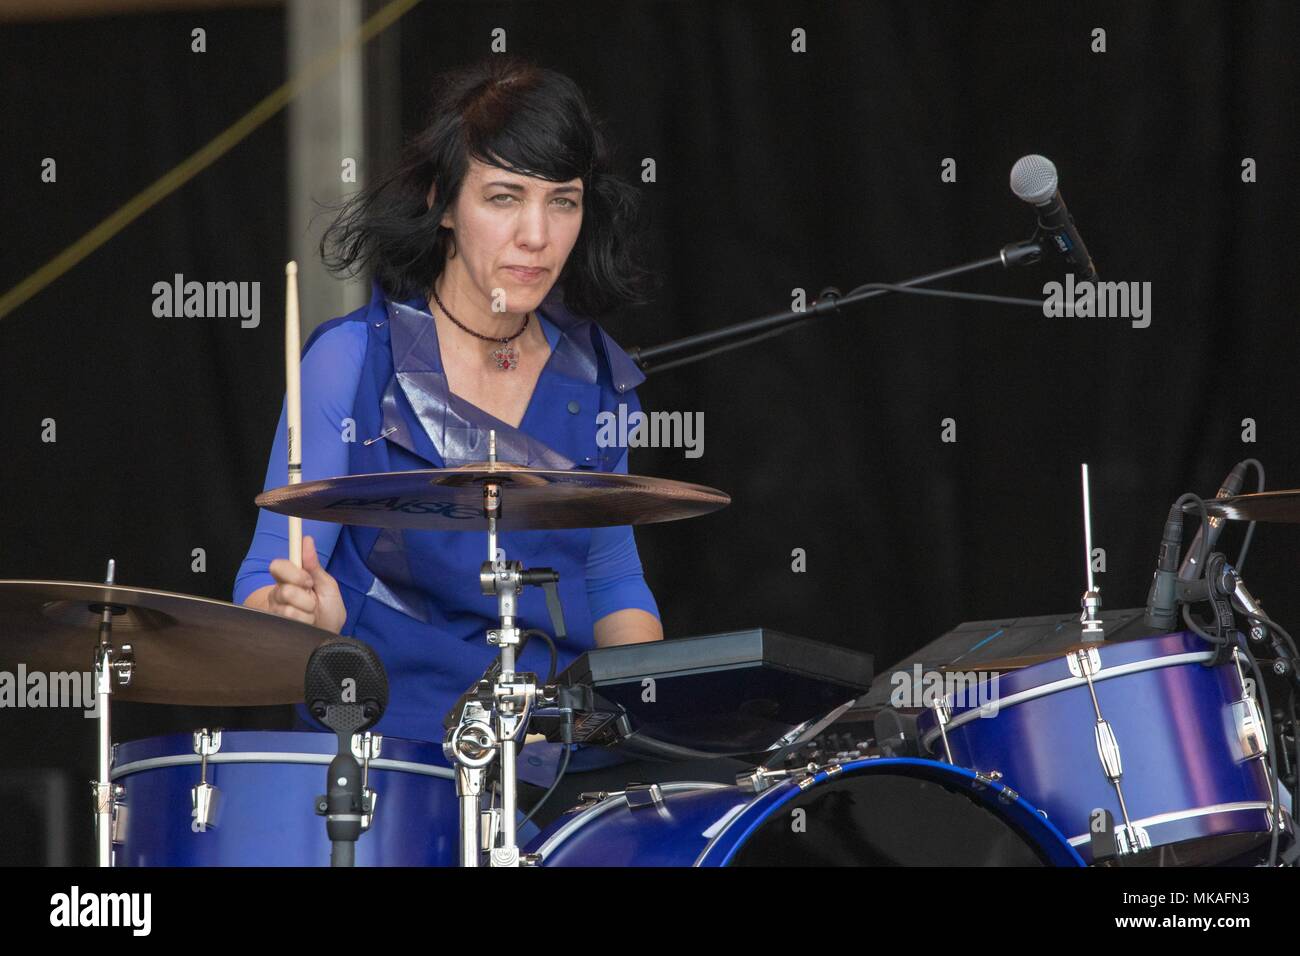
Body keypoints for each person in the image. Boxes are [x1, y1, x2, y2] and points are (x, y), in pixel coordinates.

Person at [234, 56, 664, 749]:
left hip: (548, 760)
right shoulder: (351, 362)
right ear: (443, 204)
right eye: (503, 197)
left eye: (564, 200)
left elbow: (615, 586)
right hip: (388, 761)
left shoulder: (594, 378)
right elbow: (265, 579)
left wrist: (647, 717)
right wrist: (300, 617)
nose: (537, 234)